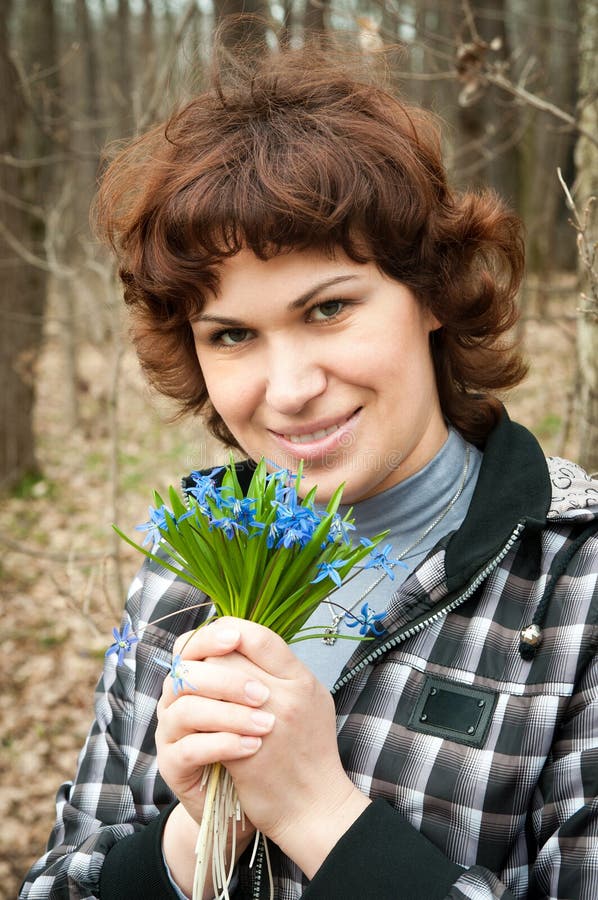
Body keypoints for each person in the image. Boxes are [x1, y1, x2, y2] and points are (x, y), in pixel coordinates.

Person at [21, 44, 598, 900]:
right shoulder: (188, 565)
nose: (289, 390)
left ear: (432, 294)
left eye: (328, 309)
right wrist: (192, 841)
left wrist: (316, 813)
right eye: (232, 334)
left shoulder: (572, 586)